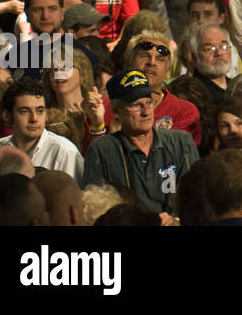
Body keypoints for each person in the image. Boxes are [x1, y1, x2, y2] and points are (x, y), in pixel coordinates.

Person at [83, 69, 200, 220]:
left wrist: (175, 220)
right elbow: (92, 209)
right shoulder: (102, 150)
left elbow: (197, 198)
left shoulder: (180, 142)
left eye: (149, 103)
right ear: (117, 111)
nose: (146, 112)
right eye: (136, 105)